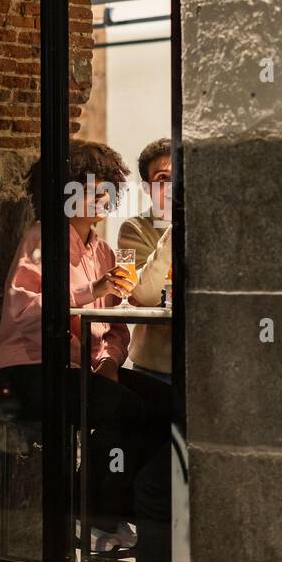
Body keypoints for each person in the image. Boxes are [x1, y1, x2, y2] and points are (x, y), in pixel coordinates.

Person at [0, 140, 169, 554]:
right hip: (30, 369)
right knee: (120, 408)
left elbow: (115, 325)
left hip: (82, 370)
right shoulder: (42, 240)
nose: (103, 196)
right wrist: (95, 288)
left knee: (167, 404)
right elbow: (26, 310)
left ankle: (126, 512)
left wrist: (109, 360)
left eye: (108, 187)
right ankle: (86, 513)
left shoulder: (105, 250)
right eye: (91, 187)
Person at [117, 137, 172, 383]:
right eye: (163, 179)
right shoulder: (135, 228)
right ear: (147, 187)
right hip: (157, 369)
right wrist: (176, 230)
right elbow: (145, 297)